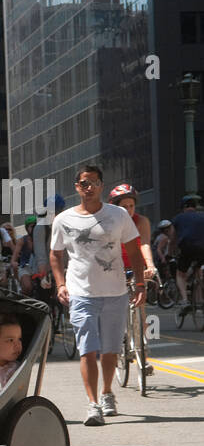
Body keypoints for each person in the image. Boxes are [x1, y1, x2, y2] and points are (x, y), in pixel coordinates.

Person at [49, 164, 147, 426]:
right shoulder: (63, 220)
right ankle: (93, 404)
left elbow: (135, 253)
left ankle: (107, 392)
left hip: (114, 292)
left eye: (93, 182)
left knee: (110, 351)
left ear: (102, 186)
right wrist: (60, 284)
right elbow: (55, 255)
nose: (88, 187)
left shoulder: (118, 215)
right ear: (76, 187)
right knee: (88, 350)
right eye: (83, 183)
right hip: (81, 294)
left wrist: (140, 286)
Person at [109, 183, 156, 374]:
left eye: (131, 206)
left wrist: (150, 265)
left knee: (140, 309)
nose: (128, 210)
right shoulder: (110, 222)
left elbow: (144, 244)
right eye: (124, 206)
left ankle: (142, 358)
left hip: (135, 267)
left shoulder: (141, 221)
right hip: (113, 267)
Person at [174, 195, 204, 321]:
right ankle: (200, 299)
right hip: (203, 248)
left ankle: (185, 301)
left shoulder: (178, 218)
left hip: (187, 248)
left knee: (180, 274)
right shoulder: (202, 216)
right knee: (198, 270)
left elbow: (172, 238)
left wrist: (170, 253)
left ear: (184, 207)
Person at [9, 215, 38, 295]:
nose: (34, 229)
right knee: (27, 286)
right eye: (32, 226)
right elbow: (13, 259)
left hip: (39, 267)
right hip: (25, 267)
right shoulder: (21, 240)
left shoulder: (43, 239)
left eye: (36, 226)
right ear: (27, 228)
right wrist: (14, 264)